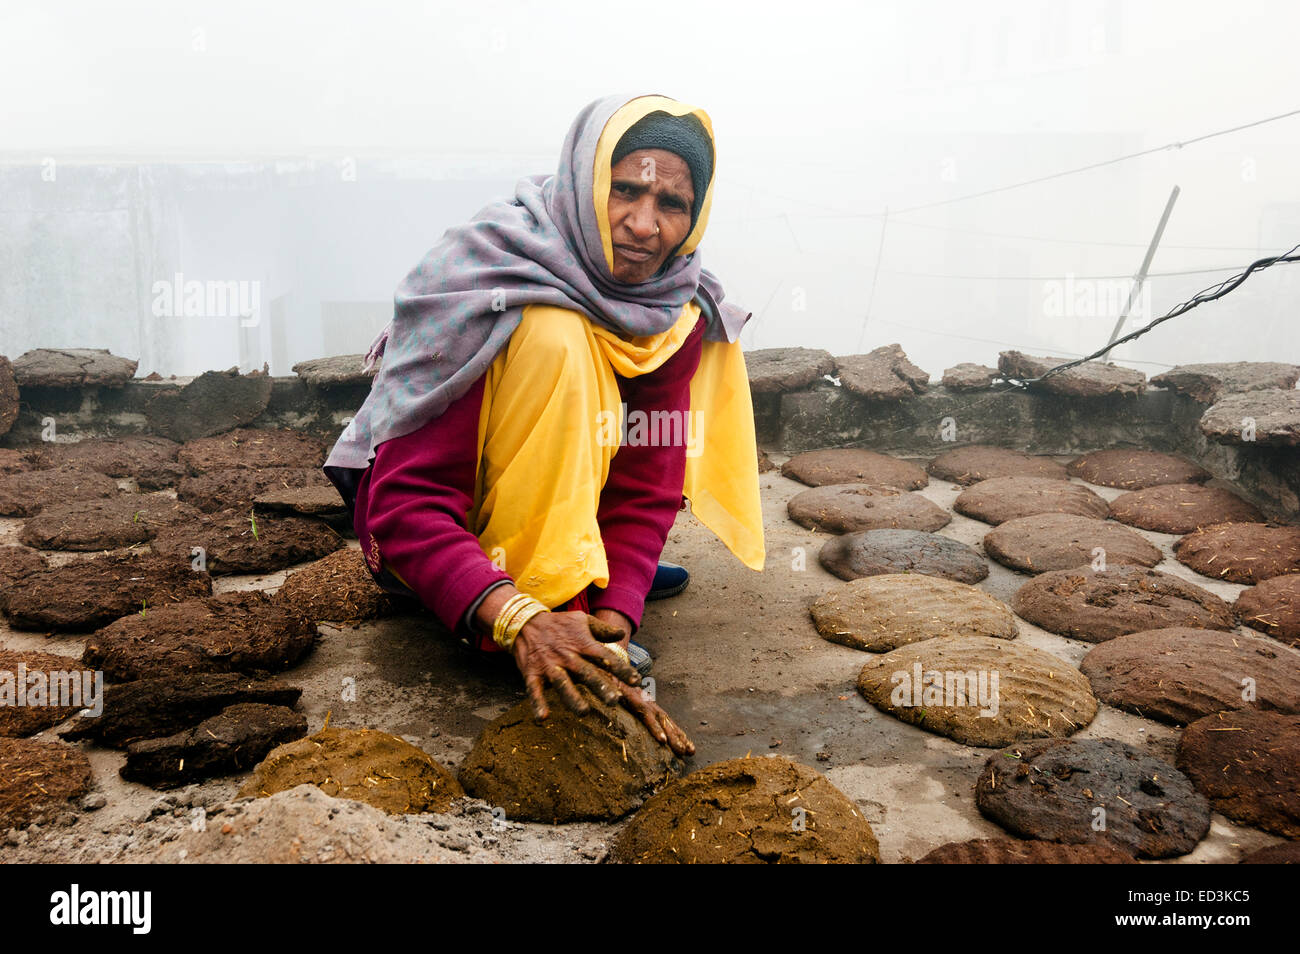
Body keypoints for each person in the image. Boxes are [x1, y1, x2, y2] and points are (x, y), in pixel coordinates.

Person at [324, 93, 765, 758]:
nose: (644, 225)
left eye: (671, 204)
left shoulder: (671, 307)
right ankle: (541, 595)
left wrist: (615, 616)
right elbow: (405, 505)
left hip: (563, 522)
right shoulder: (492, 277)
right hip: (437, 545)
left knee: (624, 577)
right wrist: (523, 618)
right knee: (553, 333)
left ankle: (583, 581)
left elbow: (647, 480)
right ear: (587, 179)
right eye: (624, 191)